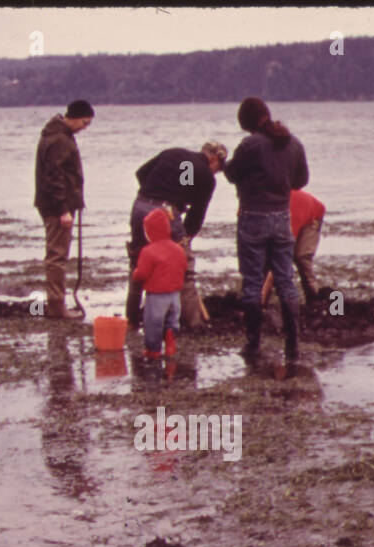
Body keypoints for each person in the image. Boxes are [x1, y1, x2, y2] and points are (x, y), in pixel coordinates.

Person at [224, 96, 309, 364]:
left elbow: (231, 174)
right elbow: (301, 180)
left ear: (246, 121)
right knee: (285, 280)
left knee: (252, 281)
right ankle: (293, 345)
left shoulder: (251, 144)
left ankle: (253, 344)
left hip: (252, 216)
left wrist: (224, 161)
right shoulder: (293, 143)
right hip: (282, 217)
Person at [124, 141, 228, 330]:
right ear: (213, 159)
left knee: (138, 263)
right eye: (218, 169)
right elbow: (197, 213)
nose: (216, 173)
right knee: (184, 267)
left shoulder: (174, 153)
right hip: (166, 212)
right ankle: (194, 322)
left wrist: (157, 191)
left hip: (140, 206)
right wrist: (185, 238)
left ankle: (131, 321)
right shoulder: (205, 175)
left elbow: (141, 173)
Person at [33, 100, 94, 320]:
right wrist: (63, 210)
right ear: (75, 117)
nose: (85, 127)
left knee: (57, 254)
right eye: (85, 122)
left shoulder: (59, 135)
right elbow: (54, 177)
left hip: (58, 204)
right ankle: (57, 307)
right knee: (57, 256)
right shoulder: (59, 139)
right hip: (57, 207)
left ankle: (56, 303)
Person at [131, 207, 187, 359]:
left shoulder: (148, 251)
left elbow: (142, 273)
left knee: (152, 323)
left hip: (156, 295)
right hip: (175, 294)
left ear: (149, 232)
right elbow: (184, 267)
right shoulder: (178, 249)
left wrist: (135, 274)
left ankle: (153, 349)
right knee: (172, 319)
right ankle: (170, 339)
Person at [261, 187, 326, 305]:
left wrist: (262, 301)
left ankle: (313, 297)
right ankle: (262, 297)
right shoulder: (264, 208)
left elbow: (283, 252)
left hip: (313, 215)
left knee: (301, 257)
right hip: (299, 210)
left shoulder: (290, 213)